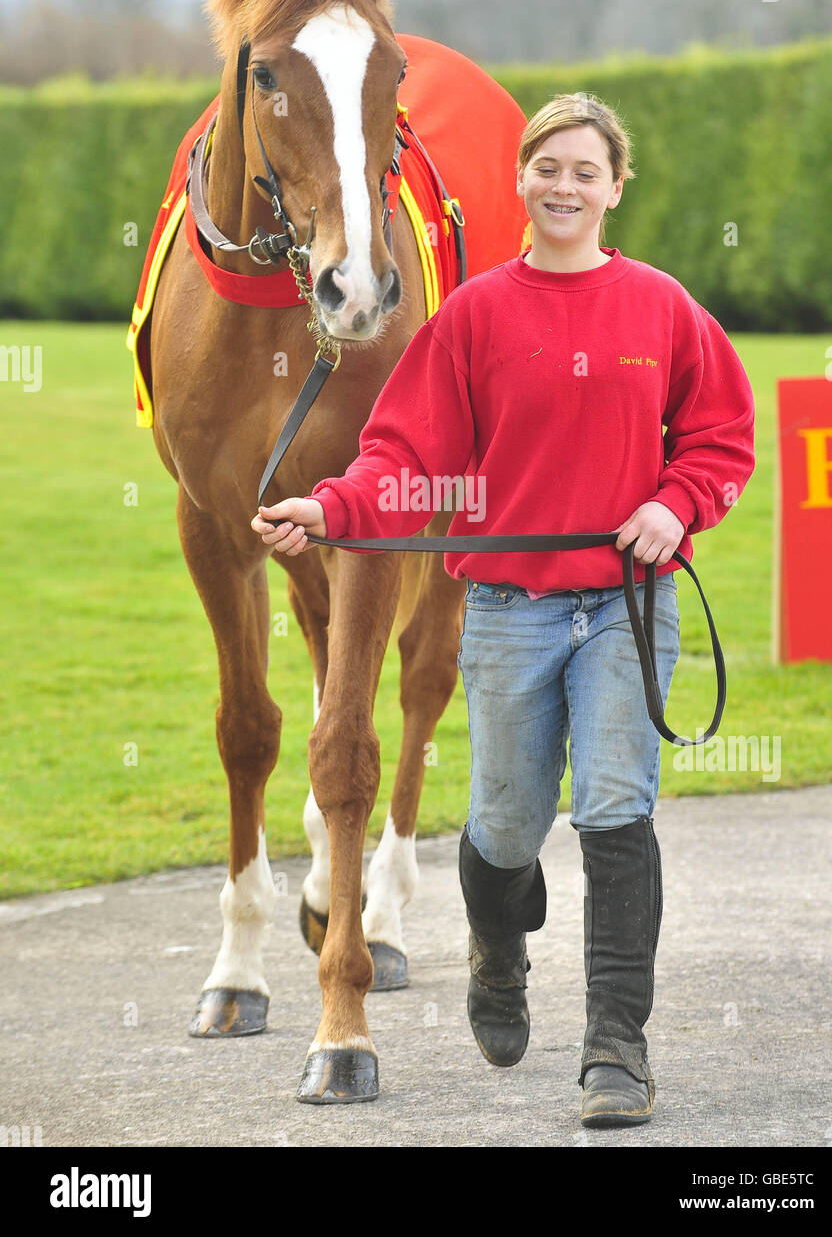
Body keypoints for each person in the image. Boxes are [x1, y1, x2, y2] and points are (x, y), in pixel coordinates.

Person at [251, 92, 756, 1128]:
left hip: (626, 602)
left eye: (586, 170)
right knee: (506, 828)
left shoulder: (663, 308)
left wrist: (675, 502)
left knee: (618, 808)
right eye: (547, 168)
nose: (564, 185)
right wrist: (334, 503)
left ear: (617, 187)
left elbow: (722, 435)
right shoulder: (474, 315)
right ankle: (497, 948)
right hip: (511, 611)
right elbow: (406, 454)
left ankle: (616, 1049)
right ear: (522, 180)